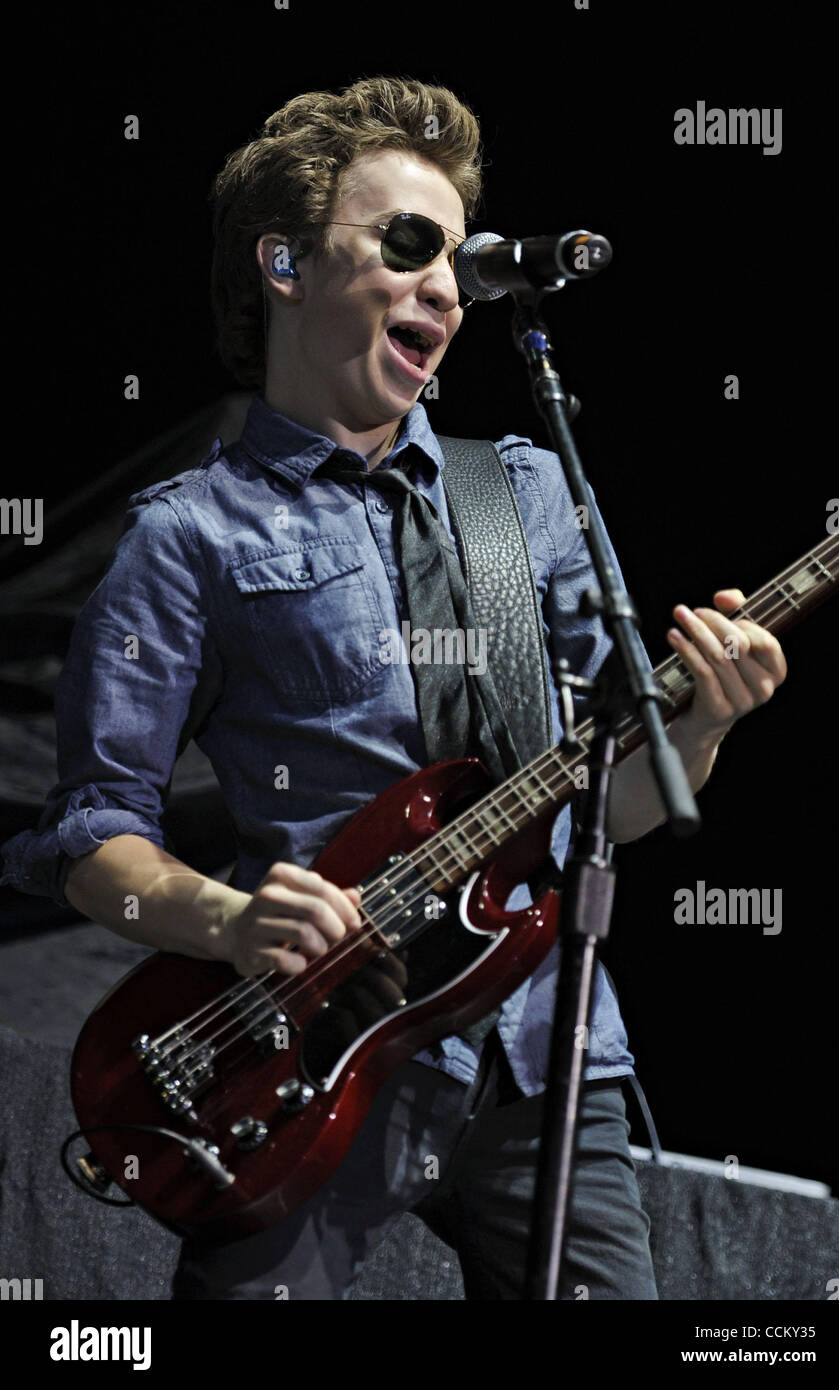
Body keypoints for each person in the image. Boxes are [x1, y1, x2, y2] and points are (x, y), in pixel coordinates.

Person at [0, 76, 787, 1300]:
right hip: (302, 1052)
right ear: (284, 264)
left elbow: (603, 809)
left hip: (542, 1053)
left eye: (457, 263)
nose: (440, 285)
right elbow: (91, 830)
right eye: (406, 244)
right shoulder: (190, 532)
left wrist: (702, 723)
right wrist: (228, 919)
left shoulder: (522, 495)